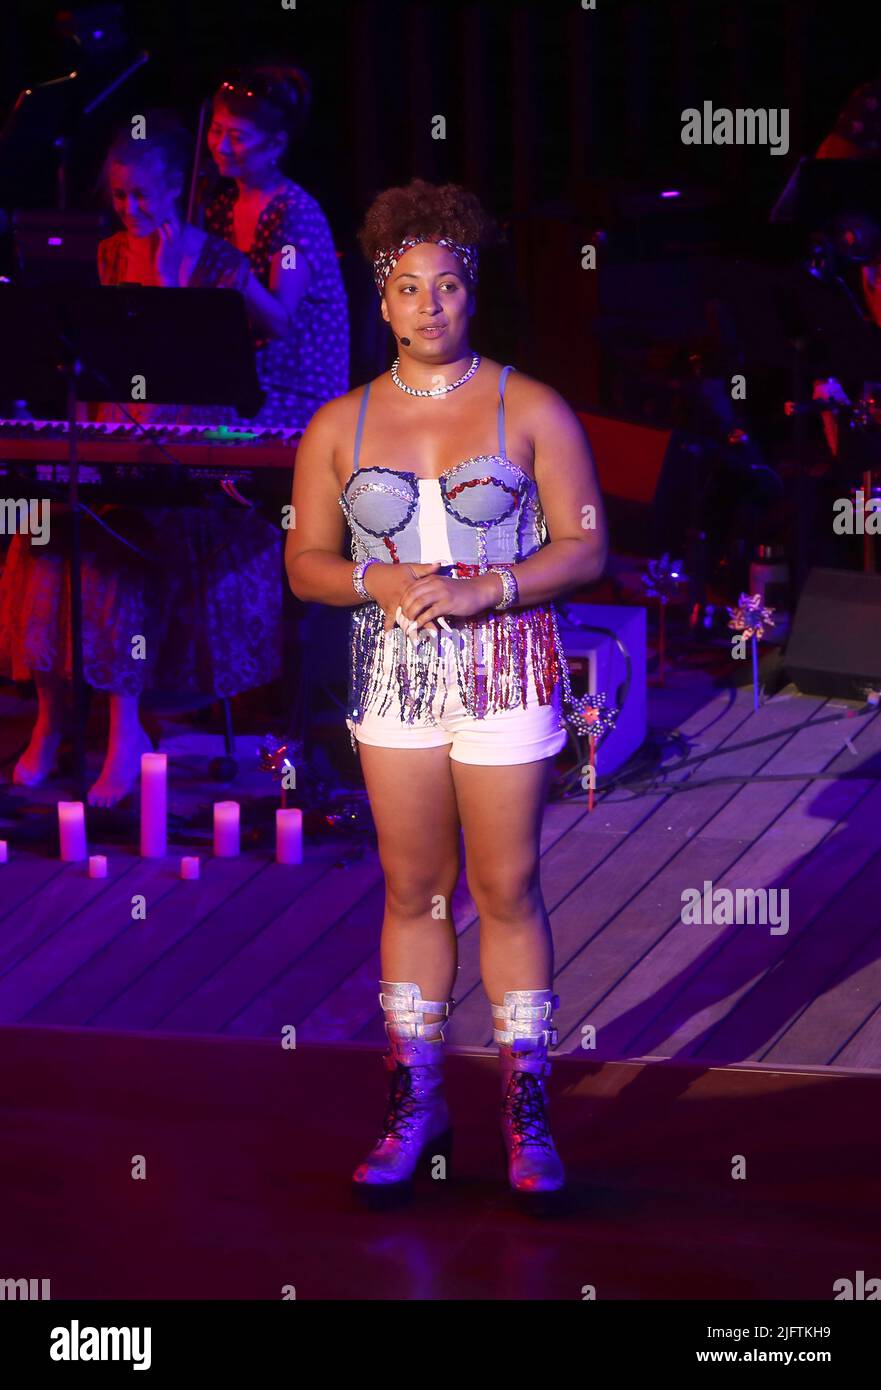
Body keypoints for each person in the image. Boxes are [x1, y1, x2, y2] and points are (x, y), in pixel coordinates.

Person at [286, 178, 607, 1214]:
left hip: (505, 669)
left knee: (506, 888)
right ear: (381, 301)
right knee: (411, 889)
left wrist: (493, 583)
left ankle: (526, 1101)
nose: (430, 305)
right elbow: (304, 561)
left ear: (472, 295)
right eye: (409, 288)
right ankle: (415, 1101)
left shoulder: (530, 405)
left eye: (449, 286)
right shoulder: (340, 421)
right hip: (392, 677)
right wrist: (372, 578)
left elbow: (586, 543)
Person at [0, 118, 282, 805]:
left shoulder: (215, 260)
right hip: (117, 432)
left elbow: (271, 324)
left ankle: (126, 731)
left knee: (121, 555)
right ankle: (51, 721)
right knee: (37, 536)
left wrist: (176, 280)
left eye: (144, 197)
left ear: (173, 192)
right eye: (121, 199)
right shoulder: (106, 257)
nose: (131, 212)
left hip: (188, 438)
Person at [203, 66, 349, 429]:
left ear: (276, 144)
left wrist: (229, 268)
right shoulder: (220, 209)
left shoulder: (294, 214)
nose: (220, 145)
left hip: (293, 395)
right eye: (216, 130)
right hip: (243, 388)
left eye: (236, 136)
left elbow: (279, 320)